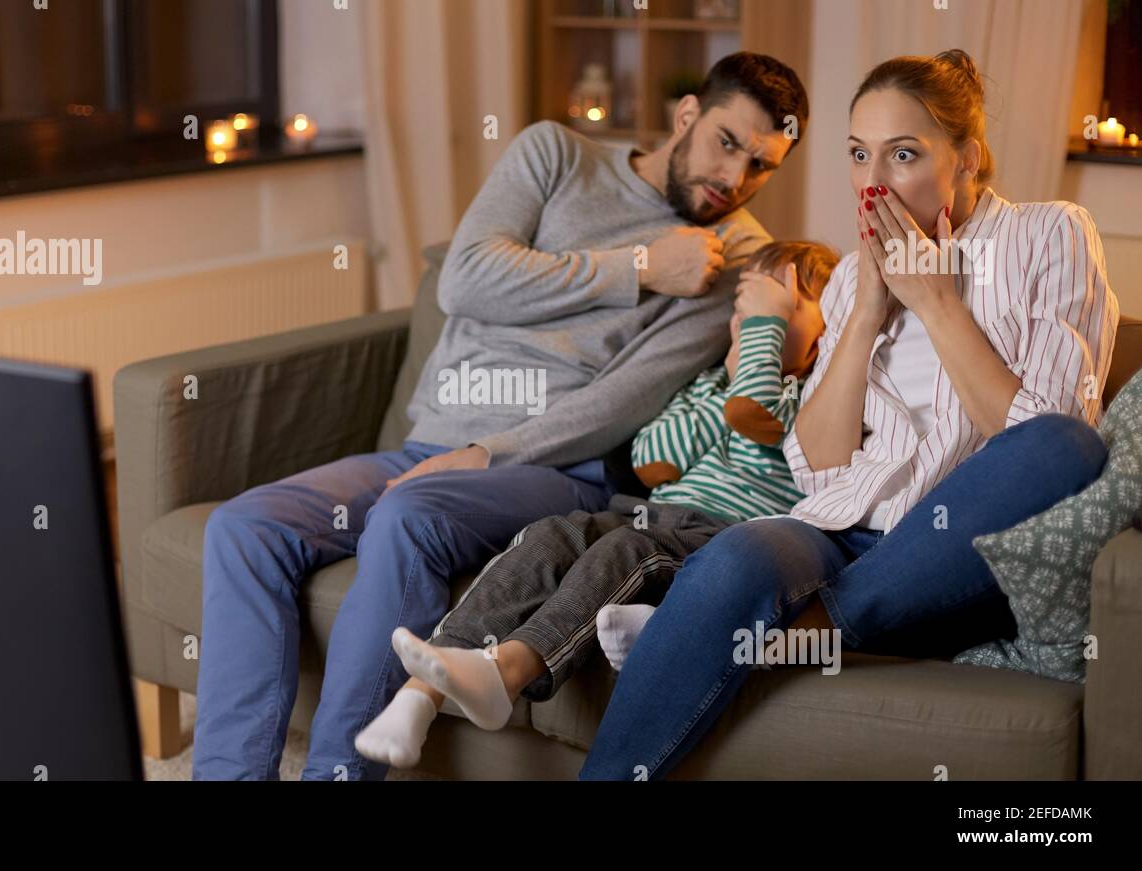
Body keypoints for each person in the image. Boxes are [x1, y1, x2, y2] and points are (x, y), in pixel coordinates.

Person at [192, 52, 810, 780]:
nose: (734, 180)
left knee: (410, 515)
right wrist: (637, 266)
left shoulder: (737, 256)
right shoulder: (554, 154)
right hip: (429, 445)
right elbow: (466, 279)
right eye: (726, 143)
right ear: (684, 117)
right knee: (243, 528)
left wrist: (488, 452)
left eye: (762, 165)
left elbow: (622, 403)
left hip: (556, 468)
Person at [581, 49, 1119, 781]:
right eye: (859, 155)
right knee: (739, 554)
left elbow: (1041, 436)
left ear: (967, 158)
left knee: (1065, 445)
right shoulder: (849, 279)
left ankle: (797, 630)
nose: (873, 183)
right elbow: (819, 465)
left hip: (954, 555)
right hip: (843, 530)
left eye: (903, 155)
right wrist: (867, 309)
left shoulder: (1049, 234)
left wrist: (934, 301)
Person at [353, 240, 838, 769]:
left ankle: (509, 671)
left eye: (784, 309)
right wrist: (725, 382)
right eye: (748, 311)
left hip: (722, 542)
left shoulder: (818, 401)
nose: (758, 323)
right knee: (552, 534)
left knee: (627, 550)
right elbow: (656, 459)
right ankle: (421, 695)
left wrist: (759, 348)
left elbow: (758, 410)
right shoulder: (711, 386)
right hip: (650, 510)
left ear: (828, 328)